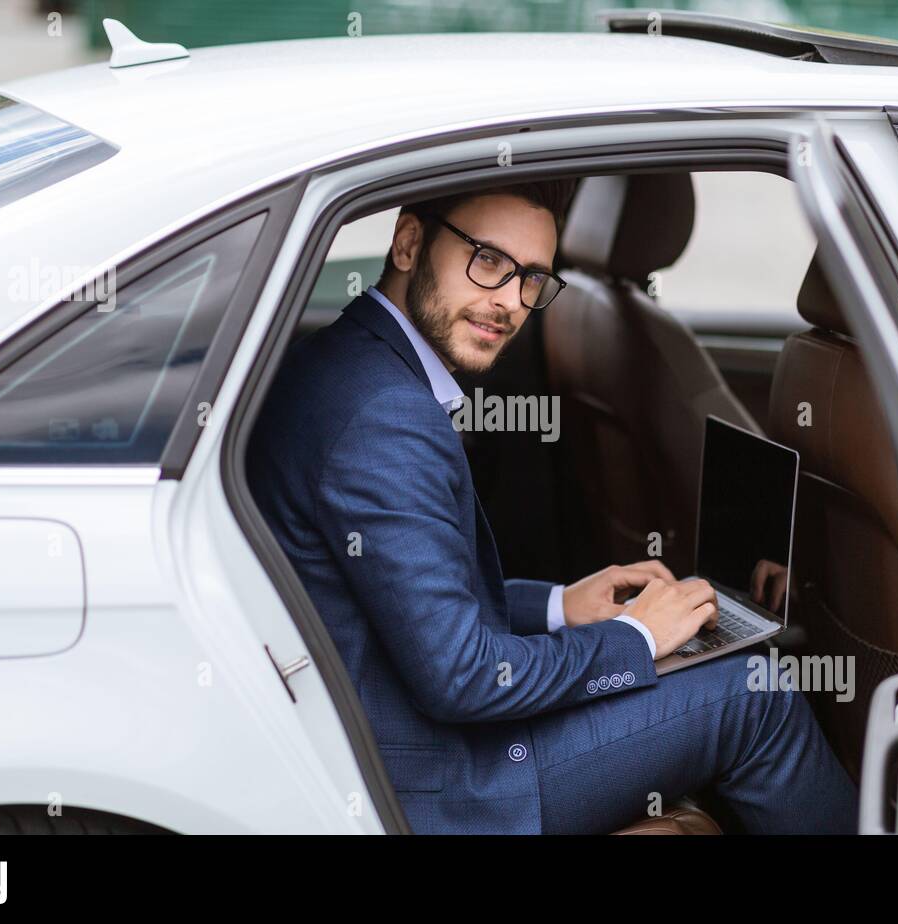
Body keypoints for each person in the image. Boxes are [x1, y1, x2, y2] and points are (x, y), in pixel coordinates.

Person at [247, 178, 857, 834]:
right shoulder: (387, 416)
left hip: (390, 735)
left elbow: (407, 599)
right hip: (441, 786)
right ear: (408, 242)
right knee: (753, 697)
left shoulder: (345, 361)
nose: (510, 301)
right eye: (488, 261)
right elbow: (462, 676)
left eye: (532, 279)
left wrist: (559, 606)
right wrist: (637, 637)